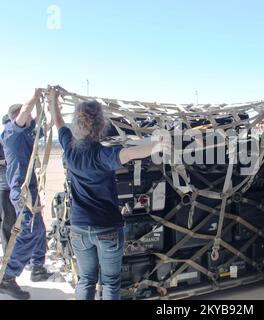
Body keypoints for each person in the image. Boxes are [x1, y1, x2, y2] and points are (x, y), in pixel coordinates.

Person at [48, 87, 166, 300]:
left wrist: (54, 100)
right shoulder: (103, 155)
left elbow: (59, 123)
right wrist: (158, 145)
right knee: (111, 282)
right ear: (101, 125)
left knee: (86, 280)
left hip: (79, 228)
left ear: (78, 124)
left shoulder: (70, 149)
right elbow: (130, 153)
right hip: (108, 228)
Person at [0, 91, 53, 300]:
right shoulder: (13, 132)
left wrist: (48, 101)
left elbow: (43, 123)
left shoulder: (26, 133)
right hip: (22, 192)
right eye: (28, 118)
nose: (31, 120)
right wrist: (35, 94)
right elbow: (25, 111)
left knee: (38, 230)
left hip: (31, 189)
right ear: (17, 119)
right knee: (31, 231)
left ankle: (37, 268)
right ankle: (7, 277)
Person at [0, 120, 17, 254]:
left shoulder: (18, 139)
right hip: (5, 187)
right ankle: (8, 252)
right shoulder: (2, 140)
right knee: (7, 221)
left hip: (18, 187)